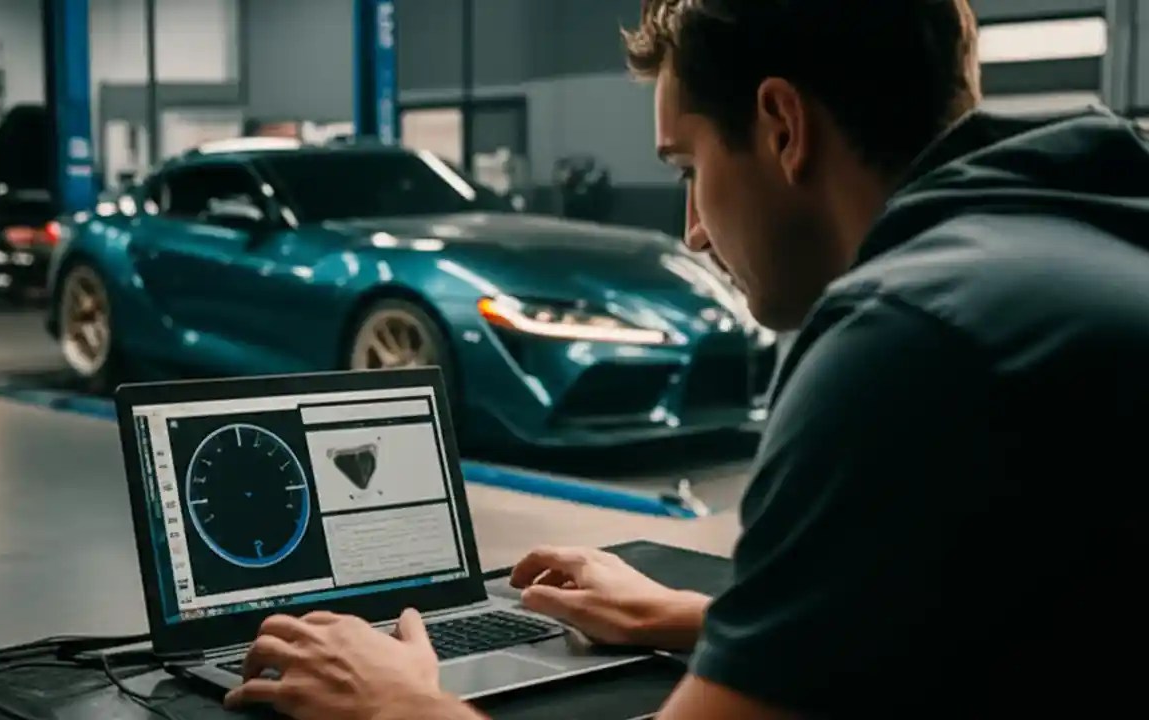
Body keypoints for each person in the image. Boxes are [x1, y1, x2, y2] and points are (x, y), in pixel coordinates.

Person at [222, 1, 1148, 717]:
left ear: (783, 126)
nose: (694, 231)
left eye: (687, 167)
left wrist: (402, 704)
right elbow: (989, 609)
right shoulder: (1078, 246)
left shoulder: (908, 334)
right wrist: (698, 618)